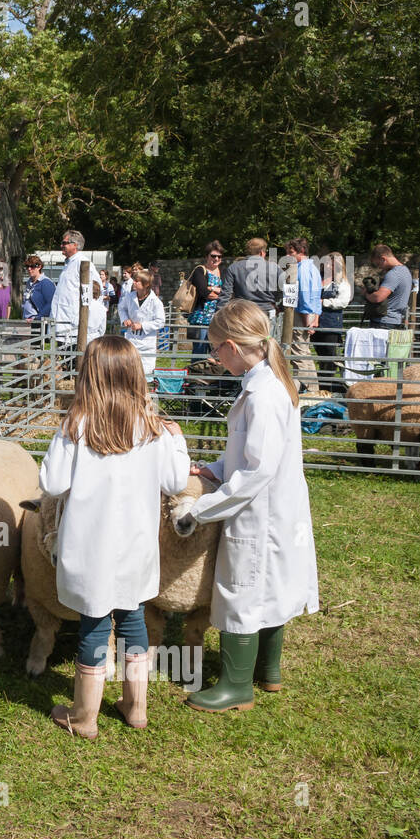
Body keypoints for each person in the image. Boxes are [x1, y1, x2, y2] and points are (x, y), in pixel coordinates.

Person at [172, 300, 318, 712]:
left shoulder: (263, 396)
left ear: (233, 346)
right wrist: (216, 469)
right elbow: (249, 457)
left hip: (259, 511)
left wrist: (198, 511)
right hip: (274, 506)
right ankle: (266, 671)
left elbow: (256, 472)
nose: (214, 357)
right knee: (271, 585)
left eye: (216, 349)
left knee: (243, 590)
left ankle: (237, 687)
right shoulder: (268, 385)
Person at [41, 336, 191, 738]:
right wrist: (177, 440)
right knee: (132, 617)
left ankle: (84, 716)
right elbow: (176, 480)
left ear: (88, 377)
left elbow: (52, 483)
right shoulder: (153, 429)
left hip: (90, 548)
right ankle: (135, 707)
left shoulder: (76, 426)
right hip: (136, 546)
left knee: (93, 623)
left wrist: (60, 434)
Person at [286, 238, 322, 393]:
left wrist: (308, 319)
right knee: (304, 353)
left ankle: (310, 391)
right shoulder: (312, 267)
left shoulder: (301, 269)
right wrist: (315, 316)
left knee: (299, 354)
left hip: (302, 315)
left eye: (291, 252)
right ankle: (311, 390)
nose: (288, 255)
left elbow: (305, 296)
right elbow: (317, 296)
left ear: (301, 251)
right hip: (308, 314)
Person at [315, 251, 352, 392]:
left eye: (331, 263)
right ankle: (318, 386)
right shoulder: (318, 278)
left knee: (329, 357)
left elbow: (343, 302)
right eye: (326, 263)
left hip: (330, 323)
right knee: (318, 355)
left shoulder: (342, 282)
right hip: (315, 322)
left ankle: (327, 389)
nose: (328, 266)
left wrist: (324, 302)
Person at [118, 267, 165, 379]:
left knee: (145, 373)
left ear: (146, 284)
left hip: (146, 341)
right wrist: (125, 319)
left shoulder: (155, 302)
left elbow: (160, 321)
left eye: (137, 281)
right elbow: (121, 308)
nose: (134, 282)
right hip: (131, 339)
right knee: (128, 371)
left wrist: (142, 326)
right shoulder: (130, 297)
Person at [50, 230, 90, 351]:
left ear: (75, 245)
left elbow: (94, 292)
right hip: (62, 325)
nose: (61, 245)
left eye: (64, 243)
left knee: (73, 364)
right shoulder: (69, 264)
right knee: (63, 364)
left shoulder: (83, 263)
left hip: (73, 327)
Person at [185, 241, 225, 357]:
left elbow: (228, 292)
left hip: (218, 319)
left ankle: (212, 374)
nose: (216, 258)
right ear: (206, 256)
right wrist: (218, 291)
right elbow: (204, 293)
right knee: (199, 351)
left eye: (219, 256)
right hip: (201, 318)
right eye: (213, 256)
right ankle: (196, 373)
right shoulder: (200, 270)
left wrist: (211, 288)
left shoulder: (223, 272)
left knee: (217, 352)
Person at [226, 237, 283, 316]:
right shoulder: (274, 267)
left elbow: (226, 294)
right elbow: (290, 289)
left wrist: (220, 314)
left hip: (242, 312)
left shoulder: (234, 267)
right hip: (267, 312)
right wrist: (281, 307)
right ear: (262, 252)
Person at [363, 245, 412, 330]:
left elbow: (378, 297)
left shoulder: (393, 274)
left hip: (383, 323)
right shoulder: (405, 271)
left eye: (378, 264)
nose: (379, 267)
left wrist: (366, 294)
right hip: (395, 321)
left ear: (383, 259)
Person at [23, 255, 55, 321]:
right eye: (27, 266)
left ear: (39, 267)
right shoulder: (29, 282)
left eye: (32, 266)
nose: (29, 269)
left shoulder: (46, 282)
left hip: (40, 322)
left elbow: (51, 303)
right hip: (28, 322)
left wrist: (38, 318)